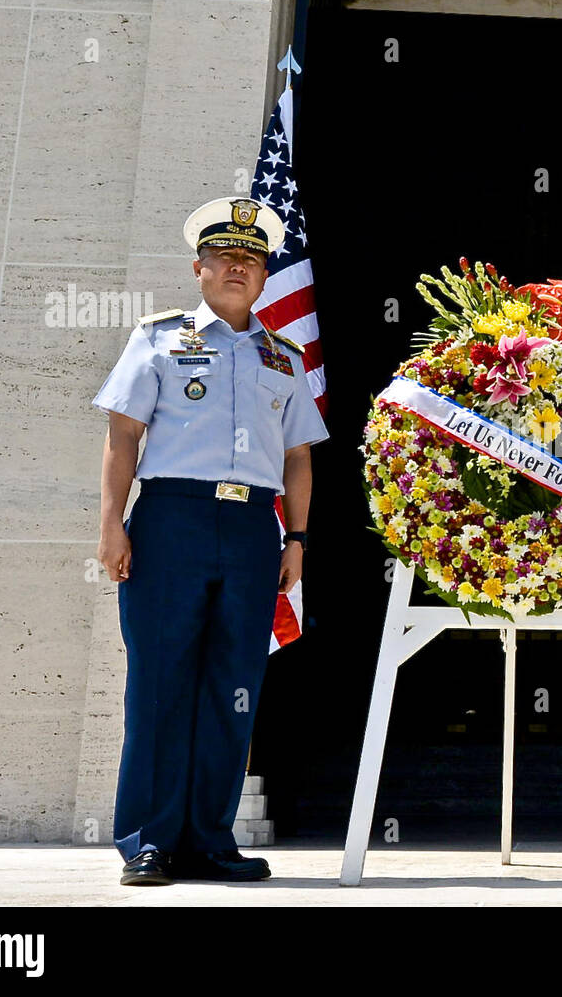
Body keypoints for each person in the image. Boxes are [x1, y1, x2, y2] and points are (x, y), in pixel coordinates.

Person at [94, 197, 328, 886]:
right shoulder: (157, 338)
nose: (238, 268)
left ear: (262, 280)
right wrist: (111, 522)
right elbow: (122, 436)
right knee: (161, 684)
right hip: (171, 519)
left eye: (251, 261)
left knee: (234, 686)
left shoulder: (282, 357)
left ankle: (210, 837)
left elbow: (299, 458)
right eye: (225, 257)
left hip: (254, 526)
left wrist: (298, 538)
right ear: (199, 268)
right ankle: (149, 839)